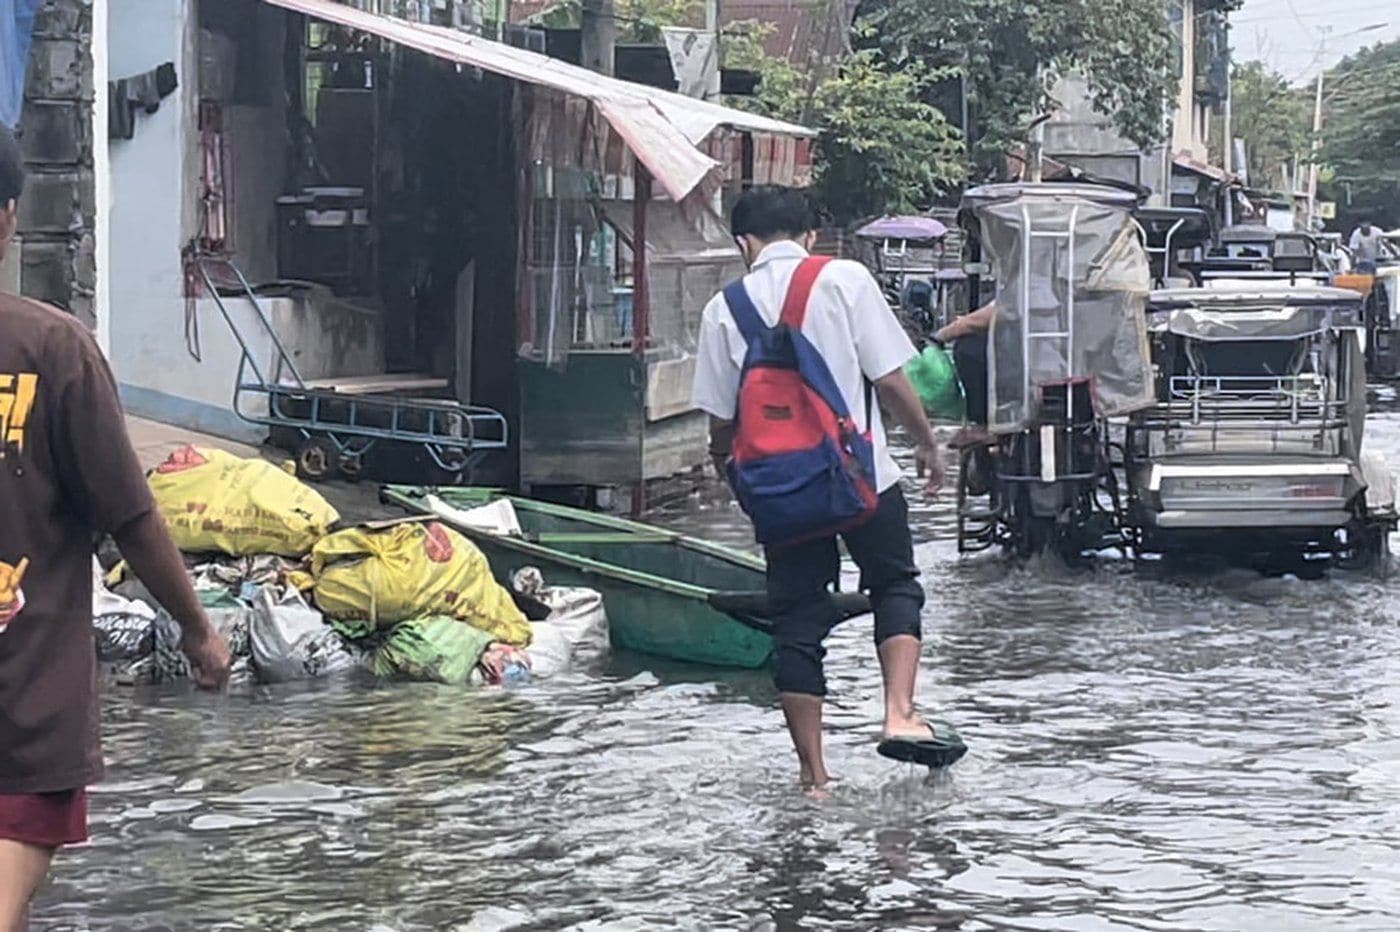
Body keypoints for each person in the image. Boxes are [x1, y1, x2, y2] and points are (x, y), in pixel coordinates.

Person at [0, 125, 232, 928]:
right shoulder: (53, 349)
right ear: (8, 218)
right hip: (22, 704)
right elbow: (129, 514)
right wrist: (197, 627)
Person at [693, 186, 955, 793]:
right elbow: (890, 379)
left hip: (782, 491)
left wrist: (736, 481)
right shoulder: (844, 280)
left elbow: (719, 426)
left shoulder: (722, 310)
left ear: (743, 244)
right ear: (809, 236)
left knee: (796, 620)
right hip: (863, 476)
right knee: (894, 583)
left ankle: (814, 777)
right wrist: (925, 442)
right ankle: (899, 714)